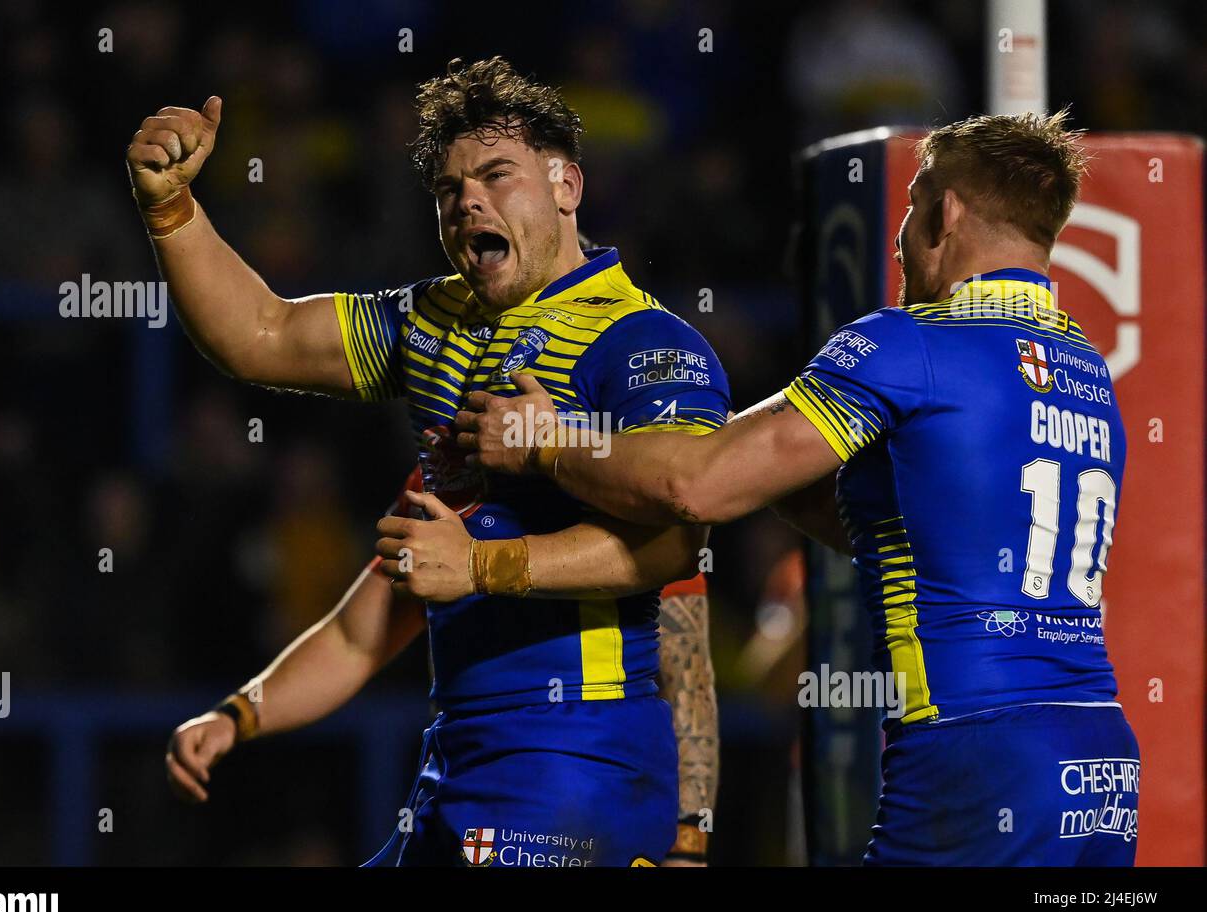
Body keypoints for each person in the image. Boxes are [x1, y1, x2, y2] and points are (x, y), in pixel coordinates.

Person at [459, 111, 1140, 866]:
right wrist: (771, 469)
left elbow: (698, 486)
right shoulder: (1088, 374)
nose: (900, 237)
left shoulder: (908, 343)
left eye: (913, 206)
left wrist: (549, 442)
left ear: (944, 212)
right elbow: (929, 528)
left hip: (976, 749)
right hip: (1101, 760)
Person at [130, 57, 730, 865]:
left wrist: (487, 563)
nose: (468, 200)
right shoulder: (430, 324)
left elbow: (674, 545)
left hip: (575, 763)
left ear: (567, 187)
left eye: (495, 175)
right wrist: (173, 210)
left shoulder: (644, 343)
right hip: (456, 767)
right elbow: (260, 334)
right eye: (449, 189)